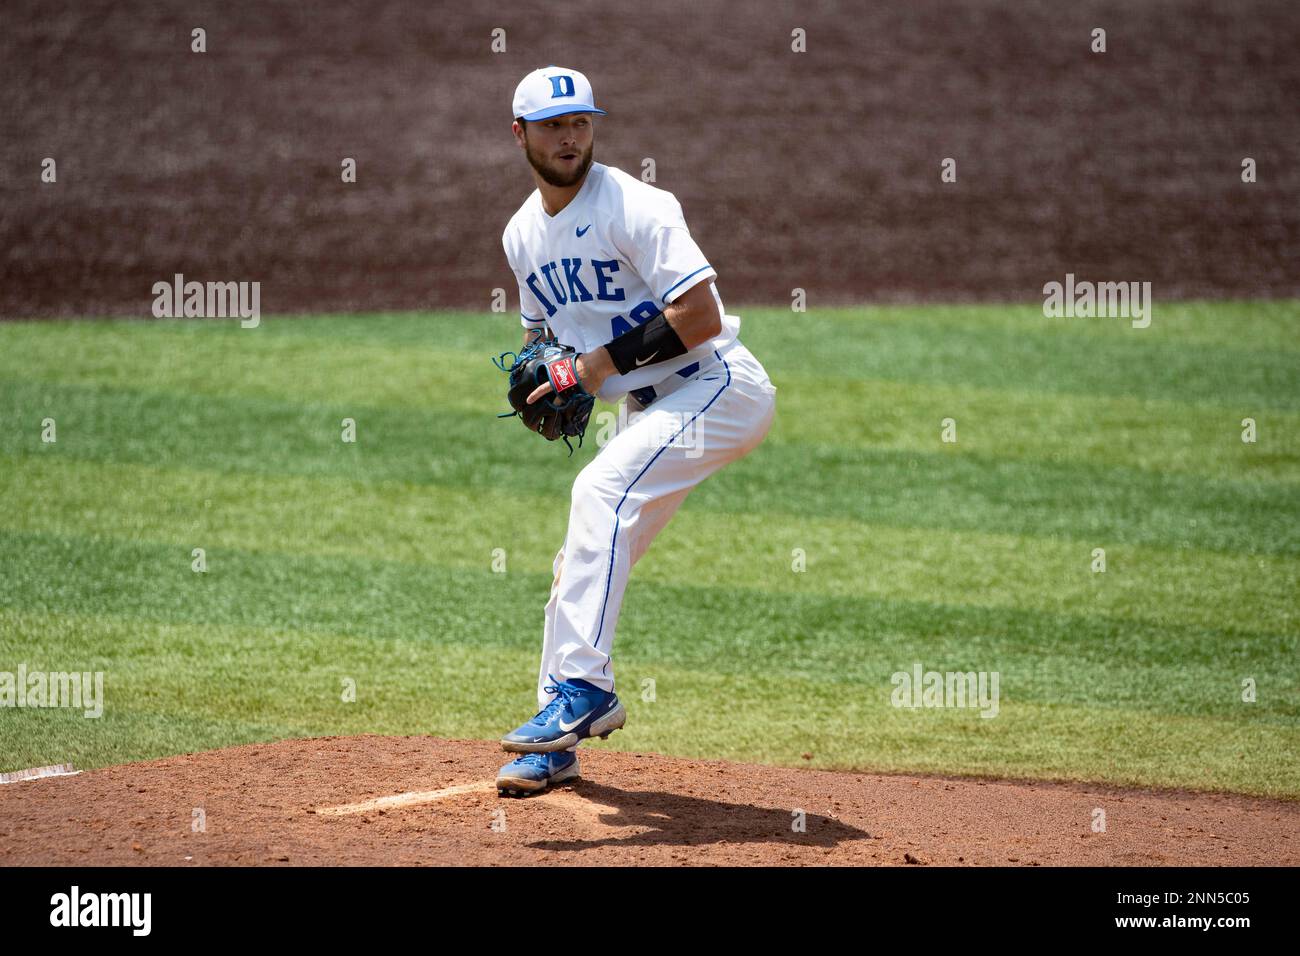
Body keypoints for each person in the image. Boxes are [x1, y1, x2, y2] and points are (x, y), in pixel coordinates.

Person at [495, 65, 777, 797]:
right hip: (650, 408)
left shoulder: (635, 204)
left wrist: (589, 370)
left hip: (719, 385)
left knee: (599, 492)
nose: (570, 137)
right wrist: (547, 378)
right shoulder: (522, 235)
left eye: (581, 123)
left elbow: (700, 316)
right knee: (580, 555)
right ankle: (555, 741)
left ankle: (586, 690)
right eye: (554, 125)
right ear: (519, 133)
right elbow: (542, 343)